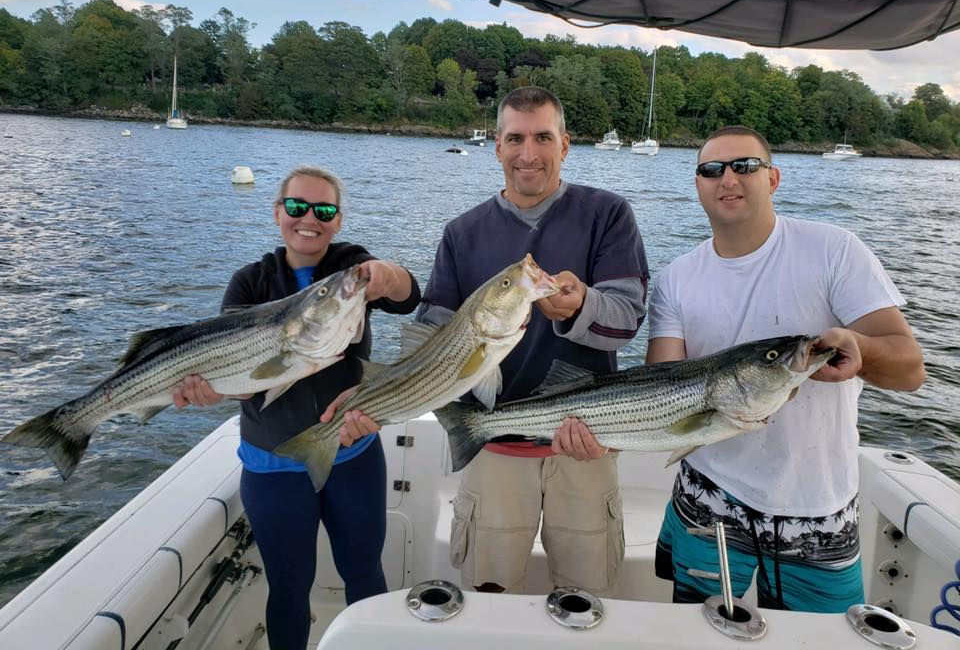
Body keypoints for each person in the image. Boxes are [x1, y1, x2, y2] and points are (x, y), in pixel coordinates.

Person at [332, 86, 650, 595]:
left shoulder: (608, 214)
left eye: (543, 138)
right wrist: (379, 396)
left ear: (565, 144)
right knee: (487, 594)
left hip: (584, 438)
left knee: (586, 600)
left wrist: (580, 305)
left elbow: (627, 316)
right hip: (492, 446)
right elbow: (432, 335)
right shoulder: (462, 232)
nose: (529, 153)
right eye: (515, 139)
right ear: (497, 146)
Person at [644, 125, 925, 612]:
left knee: (819, 641)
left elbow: (911, 370)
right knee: (696, 633)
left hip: (817, 508)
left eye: (744, 166)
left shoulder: (834, 250)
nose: (727, 178)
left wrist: (860, 347)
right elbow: (660, 387)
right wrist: (600, 428)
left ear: (772, 178)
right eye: (711, 169)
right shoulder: (675, 279)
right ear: (698, 184)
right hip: (705, 498)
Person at [172, 166, 421, 650]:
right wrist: (211, 389)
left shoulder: (350, 267)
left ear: (338, 220)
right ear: (277, 213)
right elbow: (240, 379)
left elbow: (408, 297)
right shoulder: (250, 283)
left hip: (352, 454)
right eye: (297, 206)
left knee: (364, 572)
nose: (310, 219)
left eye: (324, 210)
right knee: (288, 587)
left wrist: (389, 276)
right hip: (274, 464)